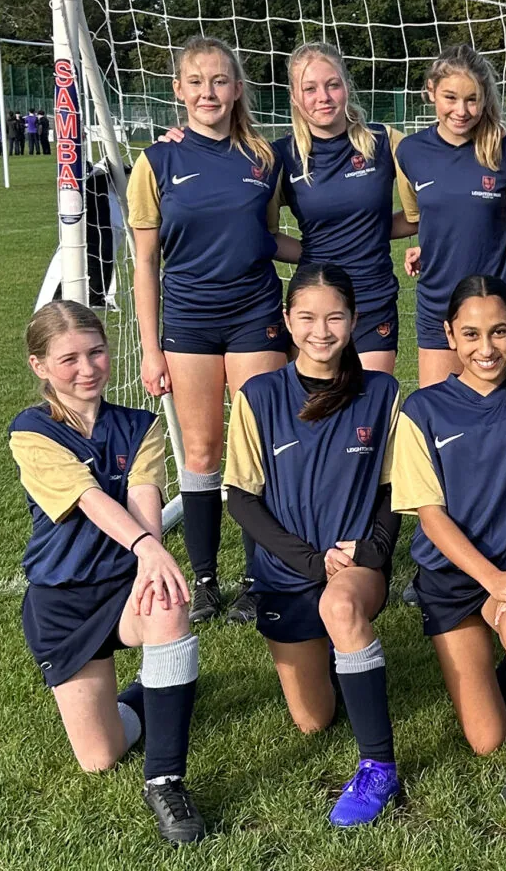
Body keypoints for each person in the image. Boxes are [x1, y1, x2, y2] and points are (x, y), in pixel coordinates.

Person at [10, 301, 205, 844]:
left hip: (123, 592)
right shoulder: (30, 431)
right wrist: (146, 545)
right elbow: (90, 499)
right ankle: (154, 692)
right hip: (62, 604)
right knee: (100, 757)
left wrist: (150, 559)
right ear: (40, 366)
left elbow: (144, 498)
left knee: (167, 606)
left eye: (96, 352)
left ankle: (166, 780)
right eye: (69, 358)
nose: (88, 367)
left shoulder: (139, 426)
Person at [223, 263, 403, 827]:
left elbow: (396, 489)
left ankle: (379, 767)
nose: (320, 331)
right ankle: (339, 653)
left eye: (334, 317)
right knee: (313, 720)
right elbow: (240, 498)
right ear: (286, 320)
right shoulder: (258, 395)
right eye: (306, 317)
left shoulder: (382, 392)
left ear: (353, 322)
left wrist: (372, 551)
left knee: (340, 605)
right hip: (287, 571)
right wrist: (307, 559)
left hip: (354, 566)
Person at [390, 276, 506, 807]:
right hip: (454, 579)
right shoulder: (421, 411)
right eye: (471, 334)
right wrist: (490, 578)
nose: (486, 348)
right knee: (482, 737)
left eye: (499, 332)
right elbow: (431, 518)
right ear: (450, 335)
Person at [127, 35, 290, 626]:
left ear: (237, 88)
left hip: (256, 315)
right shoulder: (157, 161)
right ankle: (204, 581)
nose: (208, 92)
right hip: (190, 321)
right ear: (178, 90)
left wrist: (344, 250)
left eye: (220, 81)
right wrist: (151, 348)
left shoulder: (264, 158)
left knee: (256, 447)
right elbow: (145, 263)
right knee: (200, 452)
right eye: (195, 82)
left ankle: (255, 578)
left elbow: (270, 239)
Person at [273, 42, 413, 377]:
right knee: (314, 416)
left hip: (373, 299)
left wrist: (371, 233)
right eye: (310, 88)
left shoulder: (384, 141)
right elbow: (260, 233)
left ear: (346, 88)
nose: (323, 97)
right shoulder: (280, 156)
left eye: (332, 84)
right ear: (294, 97)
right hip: (314, 303)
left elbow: (427, 205)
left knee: (368, 416)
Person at [396, 45, 506, 388]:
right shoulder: (410, 152)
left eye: (472, 99)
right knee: (440, 420)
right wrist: (427, 247)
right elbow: (419, 217)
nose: (461, 110)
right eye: (450, 97)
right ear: (431, 92)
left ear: (485, 98)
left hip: (499, 306)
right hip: (438, 303)